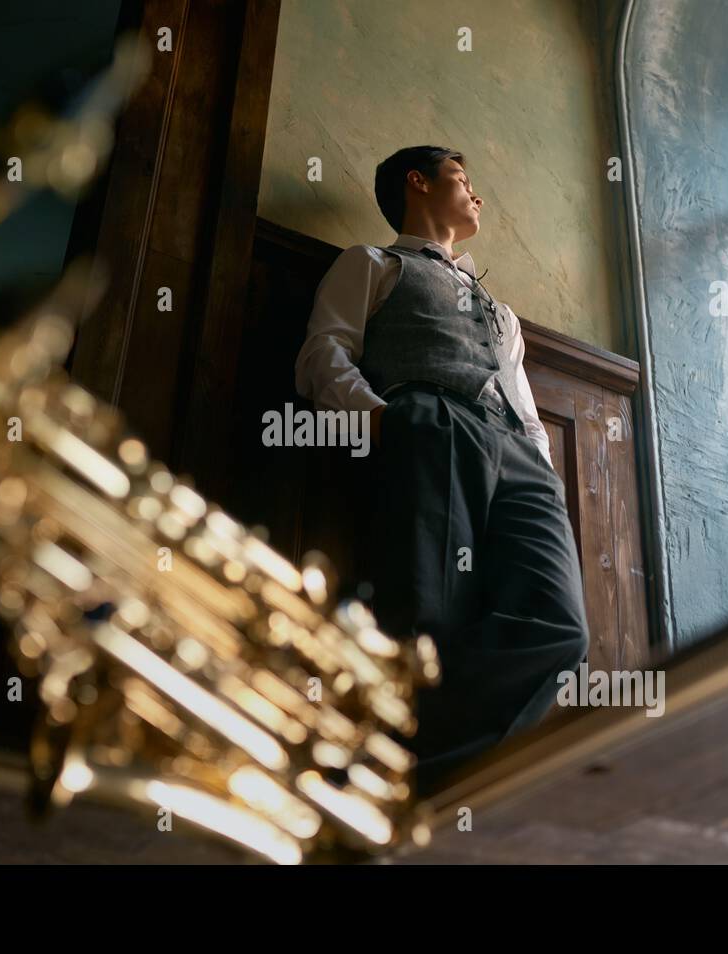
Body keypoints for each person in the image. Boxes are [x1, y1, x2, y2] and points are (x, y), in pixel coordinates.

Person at [294, 145, 591, 794]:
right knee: (429, 618)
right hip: (428, 429)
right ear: (417, 182)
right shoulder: (373, 264)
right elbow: (323, 354)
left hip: (520, 458)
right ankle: (414, 803)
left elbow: (522, 400)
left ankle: (405, 779)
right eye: (463, 179)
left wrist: (541, 469)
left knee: (559, 629)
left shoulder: (502, 314)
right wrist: (386, 426)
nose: (477, 195)